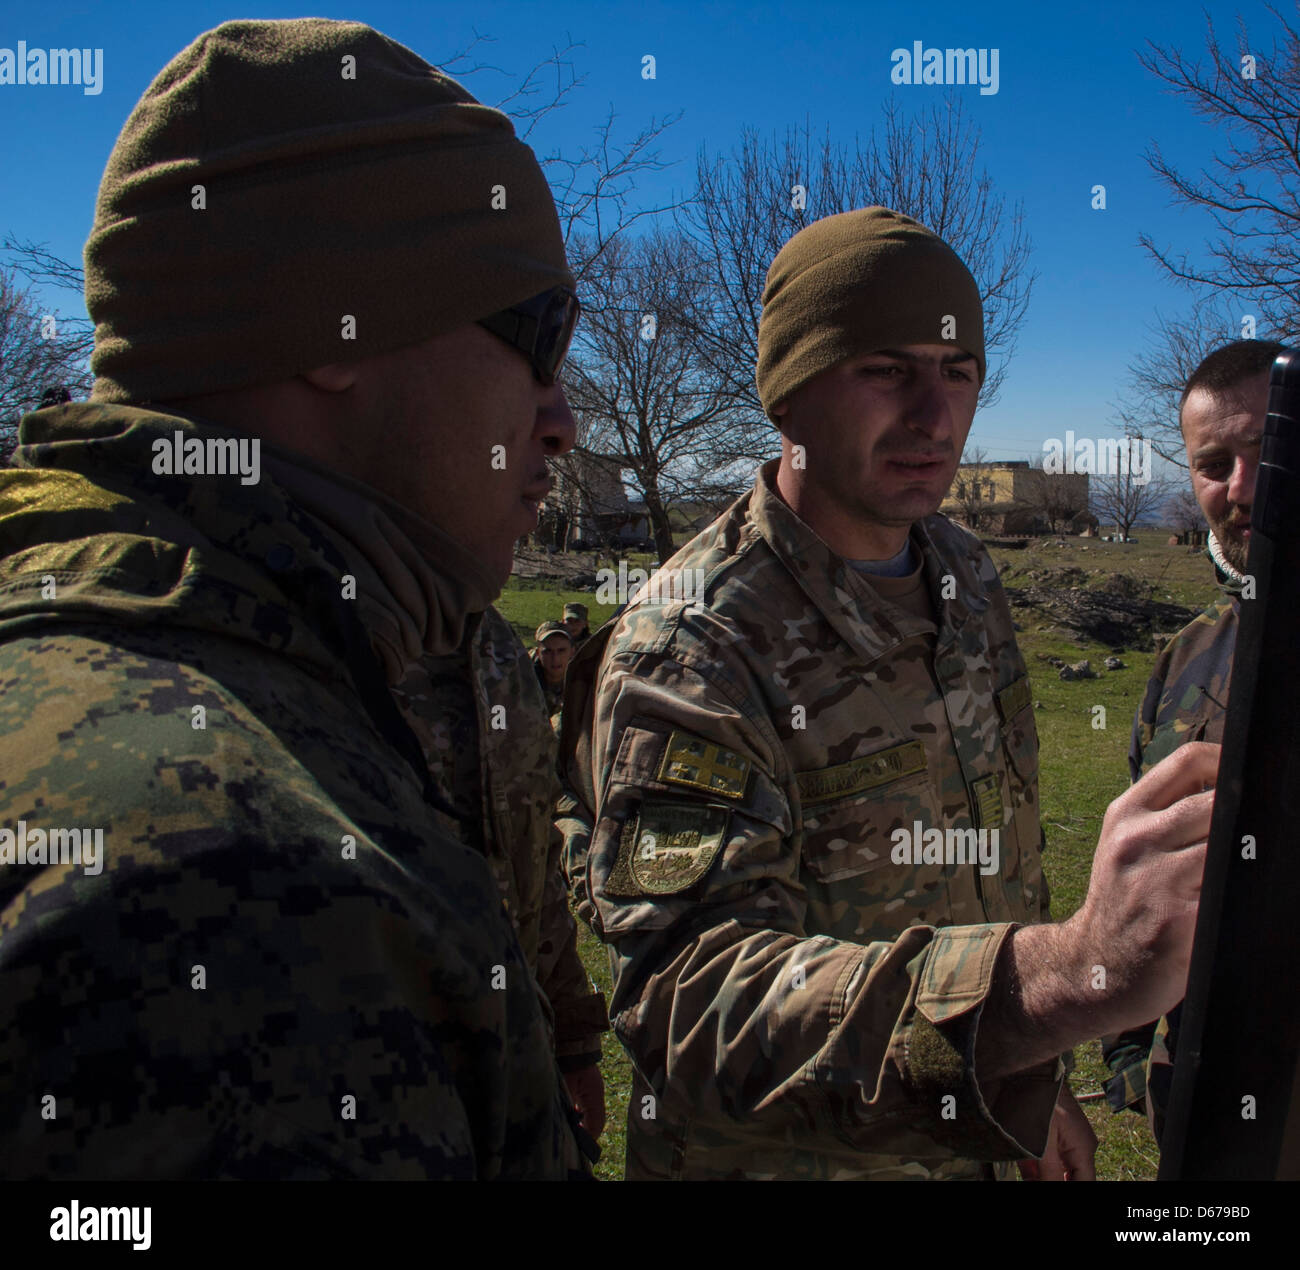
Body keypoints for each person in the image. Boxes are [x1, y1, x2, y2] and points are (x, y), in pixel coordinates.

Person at [0, 18, 596, 1180]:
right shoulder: (246, 880)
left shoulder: (197, 663)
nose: (563, 415)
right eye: (538, 334)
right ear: (341, 324)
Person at [559, 206, 1218, 1181]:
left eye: (958, 374)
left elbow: (1002, 863)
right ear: (789, 398)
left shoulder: (964, 575)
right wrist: (1060, 981)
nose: (934, 414)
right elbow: (689, 1006)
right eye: (886, 369)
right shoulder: (691, 646)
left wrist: (1024, 1078)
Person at [1101, 338, 1278, 1143]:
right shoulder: (1185, 659)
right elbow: (1133, 876)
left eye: (1269, 451)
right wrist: (1134, 1068)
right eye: (1213, 464)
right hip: (1198, 1099)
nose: (1242, 488)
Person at [532, 620, 576, 721]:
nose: (555, 658)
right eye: (547, 651)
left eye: (561, 651)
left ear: (572, 652)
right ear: (538, 653)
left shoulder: (585, 683)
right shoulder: (523, 683)